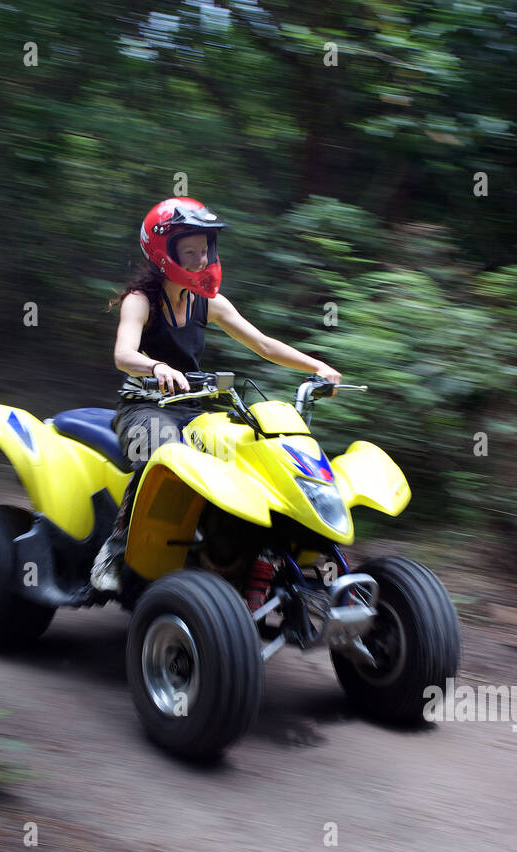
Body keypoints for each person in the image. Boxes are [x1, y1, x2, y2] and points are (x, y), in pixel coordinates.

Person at [89, 197, 342, 592]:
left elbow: (264, 345)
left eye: (204, 249)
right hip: (145, 408)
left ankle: (236, 552)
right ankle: (116, 549)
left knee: (249, 451)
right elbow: (123, 354)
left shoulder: (208, 303)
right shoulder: (141, 301)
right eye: (189, 251)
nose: (200, 258)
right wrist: (156, 367)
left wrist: (316, 366)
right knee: (163, 453)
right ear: (163, 253)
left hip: (197, 410)